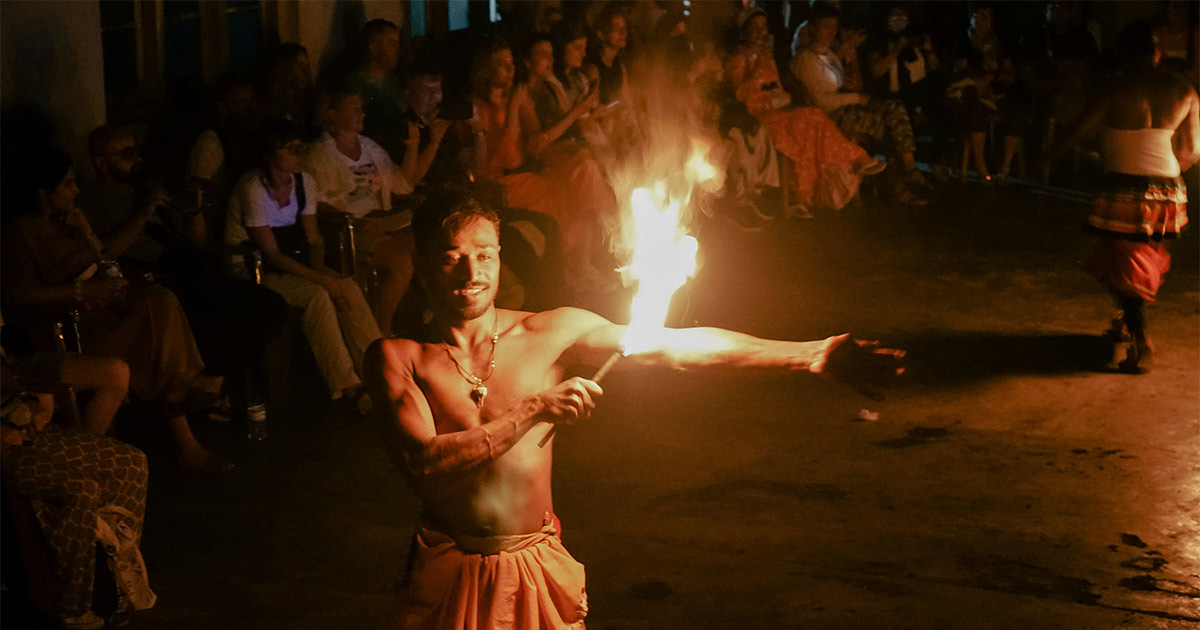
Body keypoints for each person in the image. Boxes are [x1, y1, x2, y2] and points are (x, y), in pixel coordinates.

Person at [366, 194, 903, 628]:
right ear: (423, 262)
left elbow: (676, 348)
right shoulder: (398, 357)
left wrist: (810, 355)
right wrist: (531, 410)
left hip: (533, 564)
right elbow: (426, 465)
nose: (472, 270)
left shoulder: (552, 331)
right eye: (452, 254)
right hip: (449, 567)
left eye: (485, 253)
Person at [1, 148, 231, 472]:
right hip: (68, 333)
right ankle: (183, 400)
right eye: (68, 184)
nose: (76, 191)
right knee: (155, 313)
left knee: (159, 299)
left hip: (101, 317)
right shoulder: (19, 232)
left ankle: (182, 402)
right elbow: (19, 294)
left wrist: (86, 233)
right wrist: (81, 290)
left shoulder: (67, 223)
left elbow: (103, 263)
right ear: (44, 193)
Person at [1046, 21, 1198, 373]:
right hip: (1169, 190)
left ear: (1124, 55)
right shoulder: (1184, 91)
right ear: (1156, 53)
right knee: (1139, 260)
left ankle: (1143, 344)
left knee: (1129, 266)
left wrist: (1049, 156)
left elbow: (1080, 133)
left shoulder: (1113, 89)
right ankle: (1126, 324)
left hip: (1124, 189)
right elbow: (1191, 152)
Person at [226, 118, 382, 411]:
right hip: (253, 269)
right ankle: (347, 385)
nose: (299, 154)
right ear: (269, 154)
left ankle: (380, 368)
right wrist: (322, 281)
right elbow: (270, 253)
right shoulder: (254, 188)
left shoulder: (304, 181)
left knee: (346, 286)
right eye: (290, 149)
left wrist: (321, 269)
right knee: (318, 296)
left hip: (292, 263)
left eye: (301, 147)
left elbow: (313, 238)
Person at [465, 38, 617, 294]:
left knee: (579, 185)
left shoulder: (519, 97)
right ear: (486, 69)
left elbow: (536, 142)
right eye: (502, 65)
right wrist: (513, 109)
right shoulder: (477, 106)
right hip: (502, 181)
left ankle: (583, 268)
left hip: (526, 172)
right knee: (566, 197)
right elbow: (506, 157)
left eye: (511, 63)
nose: (510, 70)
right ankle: (576, 271)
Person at [1, 379, 153, 630]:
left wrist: (32, 402)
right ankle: (73, 601)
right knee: (82, 490)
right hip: (6, 437)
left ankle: (118, 579)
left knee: (131, 461)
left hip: (18, 421)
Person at [728, 7, 886, 216]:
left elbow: (776, 87)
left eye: (763, 27)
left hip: (780, 109)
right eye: (755, 27)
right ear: (744, 31)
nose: (760, 32)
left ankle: (802, 197)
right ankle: (856, 158)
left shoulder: (767, 59)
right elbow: (742, 92)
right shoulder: (738, 59)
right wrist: (759, 67)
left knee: (809, 130)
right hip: (760, 113)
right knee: (812, 117)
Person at [305, 84, 417, 332]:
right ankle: (381, 331)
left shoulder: (370, 148)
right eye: (354, 108)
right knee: (402, 261)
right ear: (332, 114)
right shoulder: (319, 155)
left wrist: (413, 148)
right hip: (349, 229)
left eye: (361, 108)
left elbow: (403, 184)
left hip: (383, 219)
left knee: (431, 244)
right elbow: (315, 204)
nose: (361, 113)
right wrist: (354, 222)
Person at [793, 3, 927, 205]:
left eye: (834, 27)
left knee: (894, 108)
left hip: (844, 107)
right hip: (825, 117)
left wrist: (850, 81)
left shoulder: (828, 54)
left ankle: (909, 167)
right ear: (812, 28)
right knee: (886, 126)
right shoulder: (806, 58)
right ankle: (899, 183)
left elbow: (834, 81)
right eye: (826, 27)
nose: (831, 33)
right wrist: (856, 98)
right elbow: (822, 100)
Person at [347, 19, 409, 161]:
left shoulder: (394, 82)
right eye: (392, 45)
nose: (398, 52)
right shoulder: (354, 85)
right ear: (374, 48)